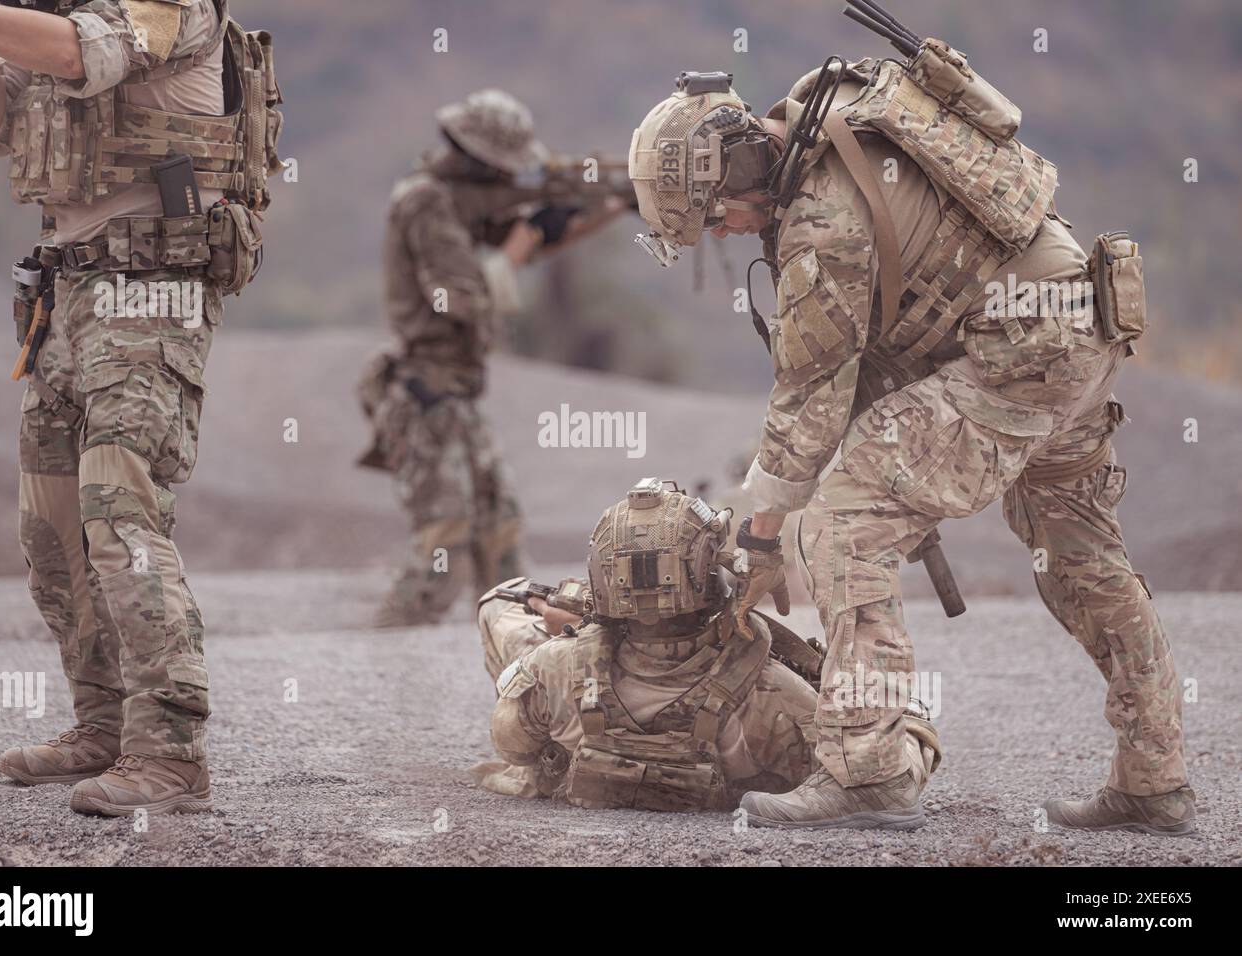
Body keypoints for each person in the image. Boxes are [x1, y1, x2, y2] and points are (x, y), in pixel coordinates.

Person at [625, 43, 1191, 833]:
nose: (723, 234)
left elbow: (806, 408)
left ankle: (868, 770)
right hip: (1081, 331)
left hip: (1018, 357)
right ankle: (1154, 778)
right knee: (1082, 558)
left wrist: (760, 543)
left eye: (716, 217)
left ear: (736, 173)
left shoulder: (821, 222)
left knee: (843, 519)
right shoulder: (845, 121)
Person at [0, 0, 281, 815]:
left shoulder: (171, 9)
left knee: (118, 507)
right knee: (51, 522)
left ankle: (170, 753)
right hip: (69, 289)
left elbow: (78, 56)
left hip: (153, 287)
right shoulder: (44, 16)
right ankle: (102, 726)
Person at [472, 478, 941, 817]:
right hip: (739, 723)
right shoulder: (769, 689)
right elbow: (863, 771)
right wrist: (914, 722)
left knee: (502, 600)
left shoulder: (555, 666)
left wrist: (582, 627)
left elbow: (512, 743)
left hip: (576, 692)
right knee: (896, 733)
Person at [361, 88, 622, 628]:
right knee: (444, 541)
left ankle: (520, 656)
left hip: (457, 393)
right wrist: (520, 247)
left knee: (500, 536)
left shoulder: (454, 203)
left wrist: (612, 206)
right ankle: (383, 664)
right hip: (426, 394)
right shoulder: (426, 202)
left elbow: (520, 244)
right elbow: (461, 298)